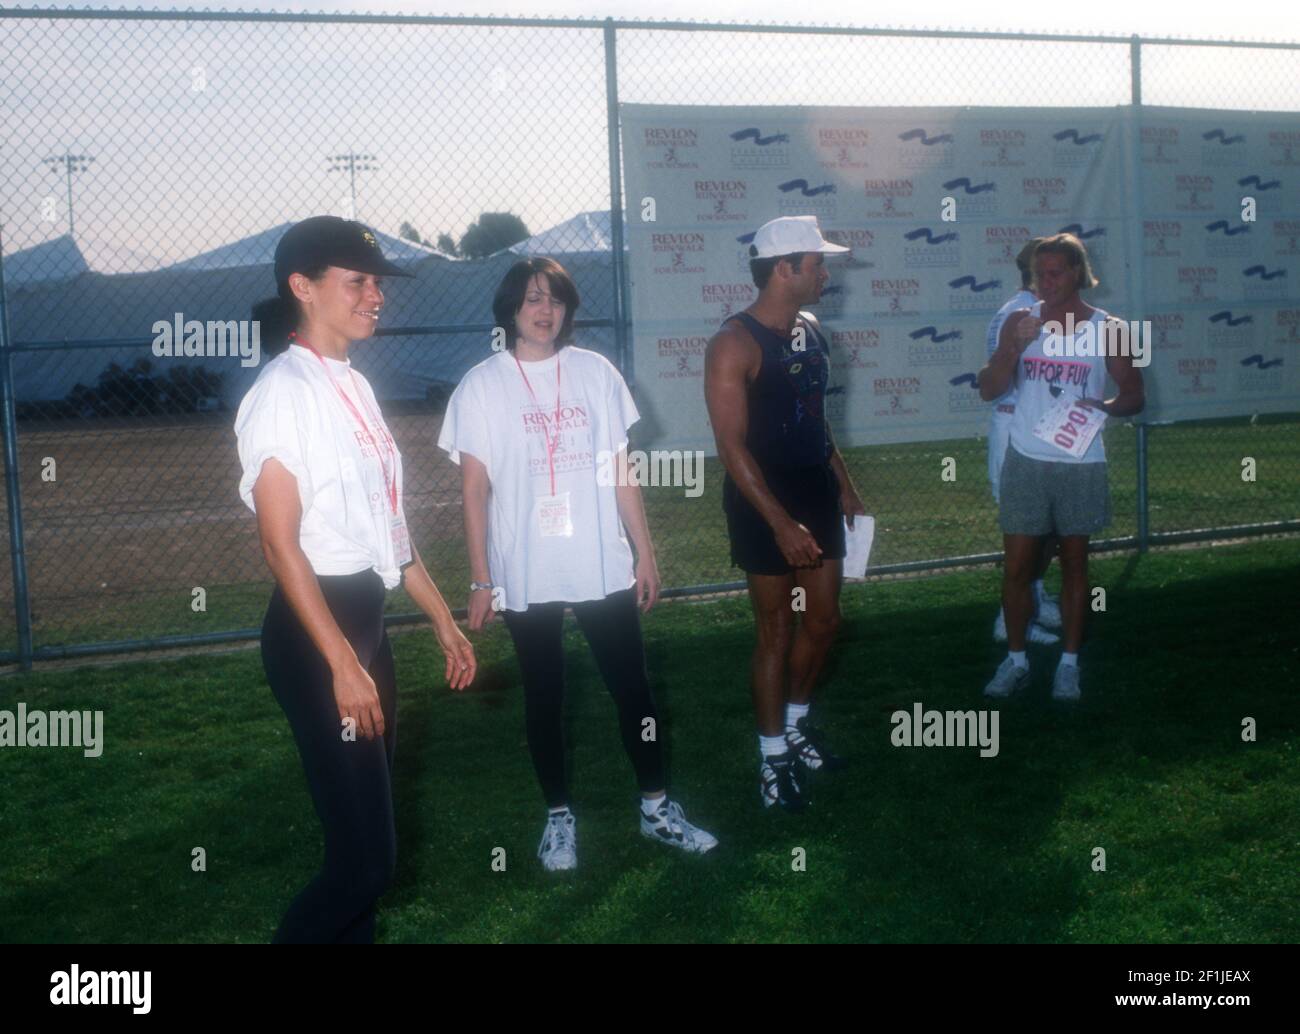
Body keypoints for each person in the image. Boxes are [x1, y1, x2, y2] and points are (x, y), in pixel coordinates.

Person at [235, 216, 476, 943]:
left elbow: (389, 533)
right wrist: (342, 661)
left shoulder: (354, 386)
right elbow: (281, 546)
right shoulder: (283, 391)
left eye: (377, 283)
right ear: (302, 288)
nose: (376, 296)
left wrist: (441, 617)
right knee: (367, 865)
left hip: (365, 625)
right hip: (320, 638)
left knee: (360, 853)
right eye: (357, 282)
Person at [438, 256, 717, 871]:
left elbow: (620, 471)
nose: (545, 312)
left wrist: (645, 551)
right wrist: (482, 577)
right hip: (526, 568)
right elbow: (474, 491)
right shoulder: (482, 385)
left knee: (633, 690)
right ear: (511, 307)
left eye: (557, 300)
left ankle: (656, 808)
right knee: (544, 693)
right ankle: (558, 818)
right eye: (534, 299)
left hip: (599, 563)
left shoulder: (595, 373)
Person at [704, 215, 865, 812]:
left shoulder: (812, 329)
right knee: (775, 628)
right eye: (817, 263)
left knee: (824, 621)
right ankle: (772, 757)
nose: (826, 273)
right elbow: (730, 446)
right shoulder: (734, 342)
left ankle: (797, 726)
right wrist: (778, 522)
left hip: (815, 491)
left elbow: (814, 418)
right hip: (761, 501)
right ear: (784, 269)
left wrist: (844, 485)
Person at [977, 232, 1144, 701]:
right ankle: (1015, 661)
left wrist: (1102, 407)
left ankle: (1068, 665)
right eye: (1037, 274)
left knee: (1075, 565)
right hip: (1026, 457)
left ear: (1077, 274)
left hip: (1080, 459)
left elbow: (1134, 394)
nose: (1044, 283)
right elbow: (989, 388)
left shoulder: (1108, 328)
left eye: (1054, 273)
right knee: (1017, 568)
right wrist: (1013, 349)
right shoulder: (1019, 320)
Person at [986, 236, 1062, 646]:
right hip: (1018, 428)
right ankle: (1010, 618)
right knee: (1027, 533)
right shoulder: (1022, 314)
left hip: (1030, 428)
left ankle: (1032, 598)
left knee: (1044, 528)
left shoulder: (1027, 310)